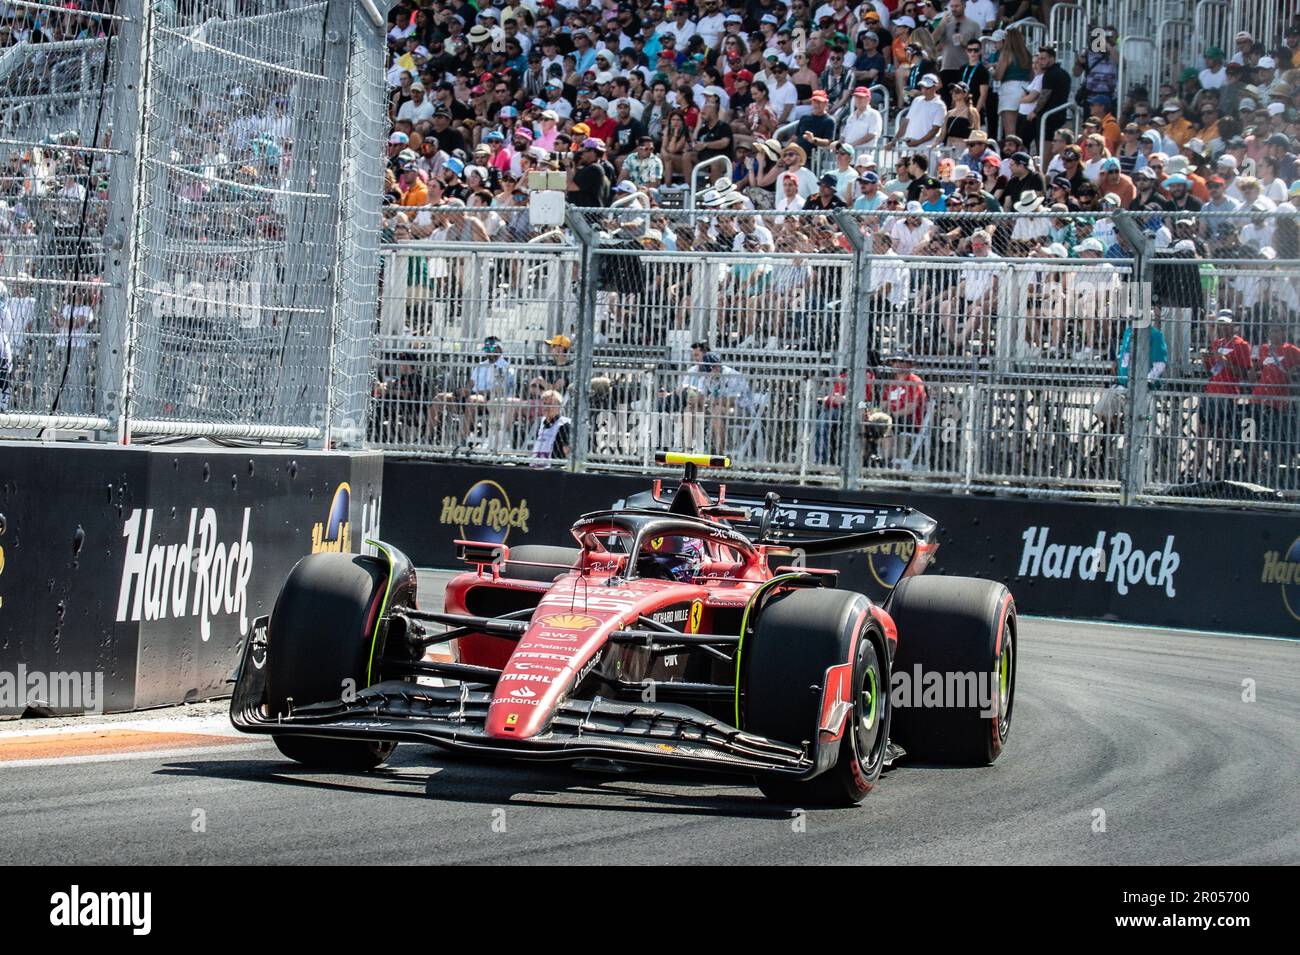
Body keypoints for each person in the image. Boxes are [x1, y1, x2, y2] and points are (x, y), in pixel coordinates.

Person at [529, 389, 571, 464]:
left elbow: (567, 451)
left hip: (555, 467)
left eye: (551, 404)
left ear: (558, 407)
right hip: (537, 465)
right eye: (545, 404)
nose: (547, 407)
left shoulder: (564, 425)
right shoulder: (541, 422)